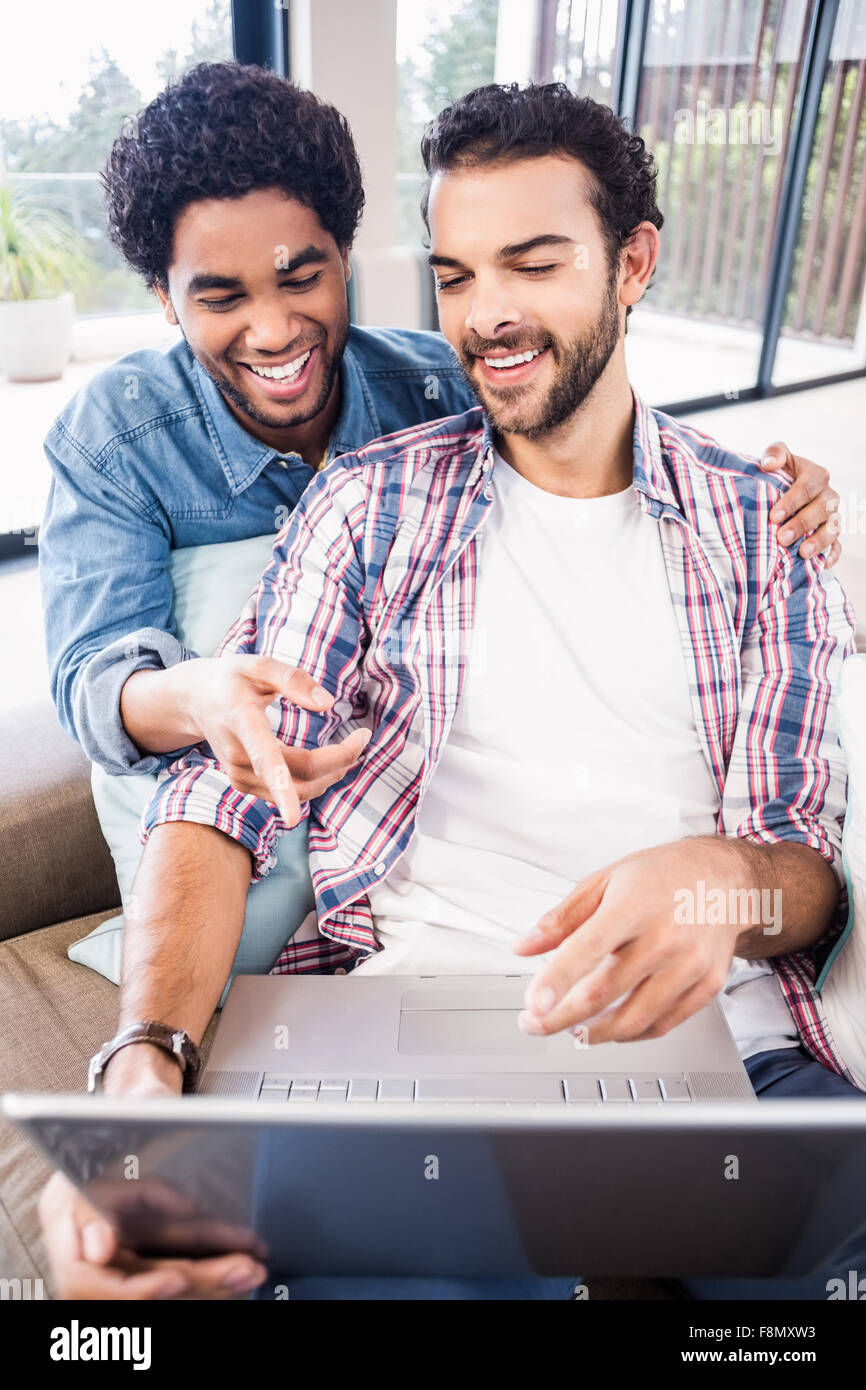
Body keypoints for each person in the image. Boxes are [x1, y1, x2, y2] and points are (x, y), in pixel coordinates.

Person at [41, 82, 860, 1301]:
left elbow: (802, 864)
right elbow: (216, 795)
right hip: (418, 1041)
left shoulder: (755, 526)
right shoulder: (371, 500)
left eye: (529, 264)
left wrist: (712, 883)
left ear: (631, 262)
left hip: (725, 1054)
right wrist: (142, 1063)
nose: (485, 318)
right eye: (456, 275)